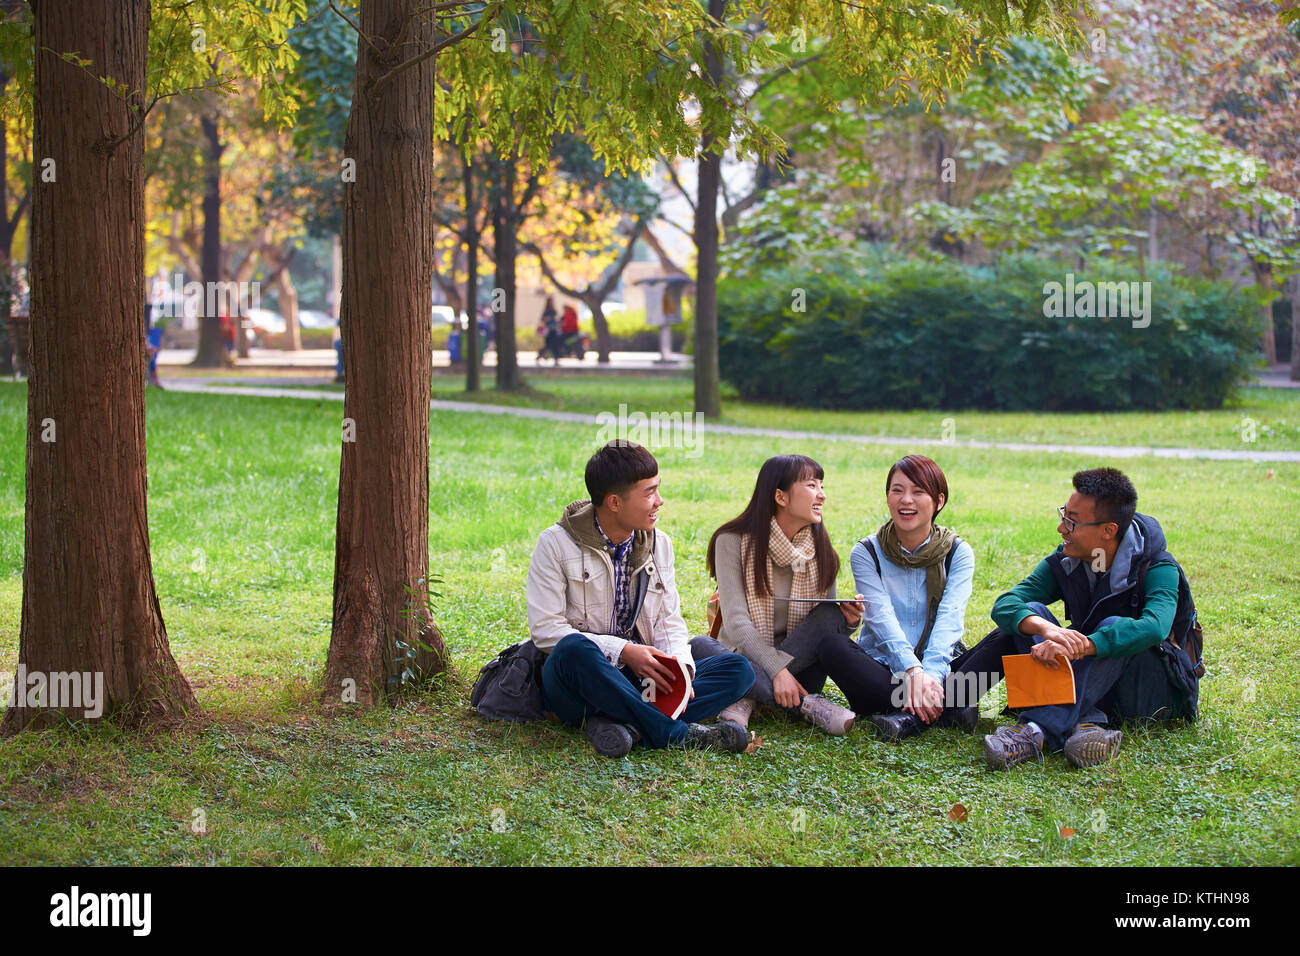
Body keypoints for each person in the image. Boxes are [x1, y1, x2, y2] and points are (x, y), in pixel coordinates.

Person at [527, 440, 756, 758]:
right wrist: (625, 651)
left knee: (739, 669)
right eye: (649, 493)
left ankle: (625, 725)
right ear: (614, 503)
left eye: (658, 489)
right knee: (573, 648)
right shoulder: (555, 544)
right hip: (580, 680)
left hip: (640, 679)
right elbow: (546, 630)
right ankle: (674, 734)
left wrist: (682, 669)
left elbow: (669, 620)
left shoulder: (660, 544)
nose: (660, 501)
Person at [961, 467, 1192, 770]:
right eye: (1063, 515)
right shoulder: (1068, 560)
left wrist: (1082, 646)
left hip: (1145, 692)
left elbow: (1155, 627)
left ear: (1108, 530)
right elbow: (1006, 604)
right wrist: (1048, 631)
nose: (1061, 528)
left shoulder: (1158, 566)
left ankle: (1033, 733)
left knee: (1113, 625)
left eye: (1072, 521)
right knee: (1033, 612)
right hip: (1089, 684)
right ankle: (1087, 726)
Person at [690, 454, 867, 736]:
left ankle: (746, 695)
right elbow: (736, 623)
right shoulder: (731, 541)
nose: (822, 495)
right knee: (699, 646)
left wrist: (848, 621)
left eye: (822, 486)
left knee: (829, 613)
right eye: (811, 485)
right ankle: (806, 705)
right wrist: (777, 671)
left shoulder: (822, 551)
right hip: (743, 656)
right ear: (780, 497)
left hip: (801, 667)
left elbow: (821, 632)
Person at [846, 454, 979, 740]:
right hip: (883, 673)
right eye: (897, 490)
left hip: (939, 672)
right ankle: (949, 708)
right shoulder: (866, 552)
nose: (906, 500)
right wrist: (912, 671)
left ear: (939, 501)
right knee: (832, 645)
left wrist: (928, 675)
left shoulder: (958, 552)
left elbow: (950, 617)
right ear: (887, 497)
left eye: (918, 492)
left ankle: (908, 716)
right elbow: (879, 616)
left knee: (1004, 638)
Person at [537, 296, 561, 364]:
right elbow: (542, 319)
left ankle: (556, 359)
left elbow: (557, 319)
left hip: (554, 330)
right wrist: (548, 319)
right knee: (548, 345)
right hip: (548, 330)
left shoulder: (553, 310)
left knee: (555, 345)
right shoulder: (546, 311)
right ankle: (540, 355)